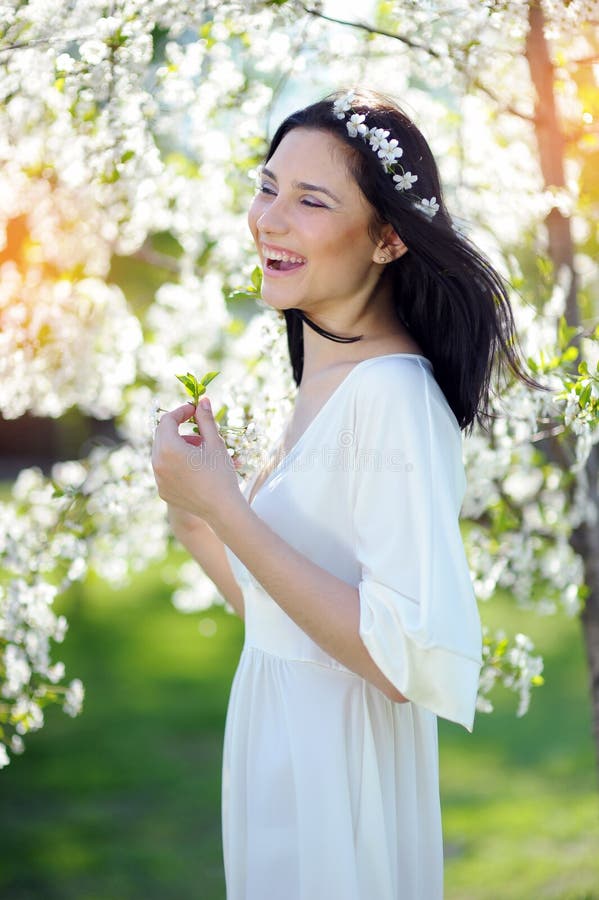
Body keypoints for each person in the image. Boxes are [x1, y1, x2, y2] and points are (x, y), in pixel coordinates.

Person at [151, 89, 535, 899]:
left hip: (338, 779)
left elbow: (404, 657)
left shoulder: (391, 397)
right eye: (267, 187)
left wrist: (225, 507)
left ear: (388, 238)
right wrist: (196, 520)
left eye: (310, 200)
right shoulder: (325, 384)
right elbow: (291, 630)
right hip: (280, 752)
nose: (268, 220)